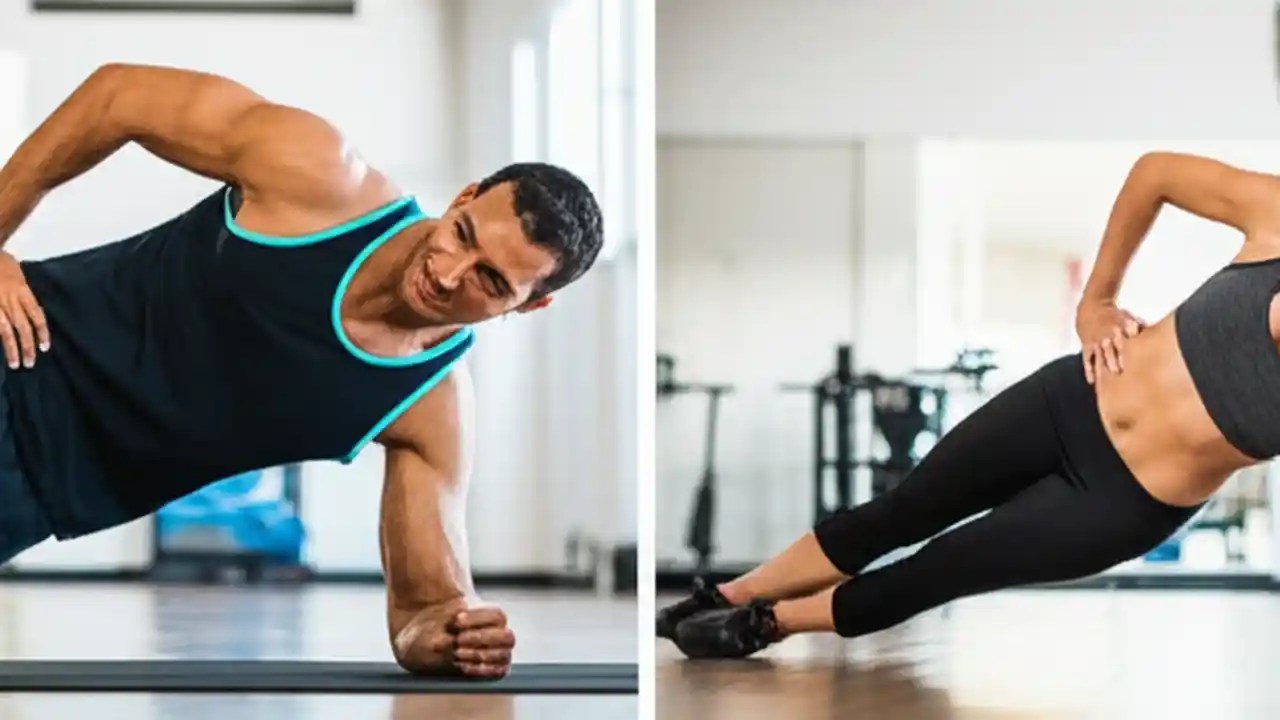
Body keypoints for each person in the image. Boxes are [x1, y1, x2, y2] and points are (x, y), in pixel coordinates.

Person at [0, 63, 603, 677]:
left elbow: (427, 608)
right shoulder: (320, 175)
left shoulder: (429, 405)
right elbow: (118, 95)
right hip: (14, 346)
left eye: (491, 281)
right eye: (462, 235)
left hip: (33, 500)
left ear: (532, 305)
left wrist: (446, 637)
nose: (448, 274)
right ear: (462, 197)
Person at [658, 151, 1280, 658]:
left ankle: (771, 625)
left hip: (1124, 502)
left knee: (941, 569)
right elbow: (1156, 174)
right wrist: (1096, 302)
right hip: (1071, 402)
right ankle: (732, 594)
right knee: (901, 510)